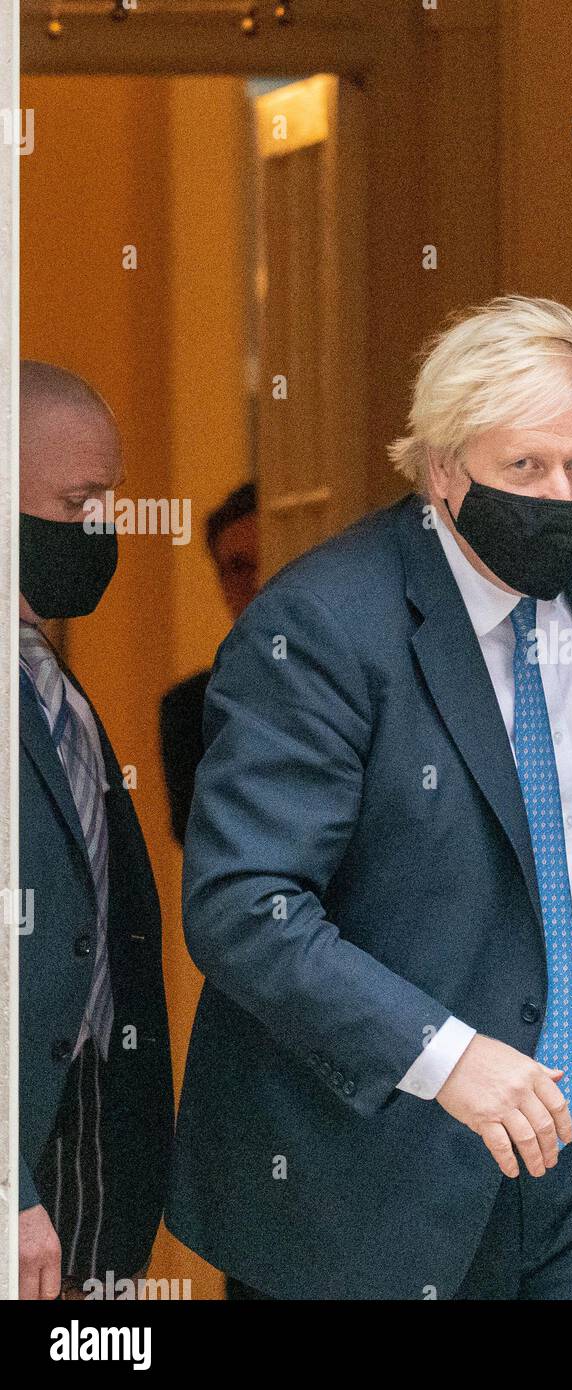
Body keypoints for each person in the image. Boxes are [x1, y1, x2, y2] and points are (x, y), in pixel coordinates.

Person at [165, 295, 572, 1299]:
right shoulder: (321, 626)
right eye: (522, 468)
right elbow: (242, 907)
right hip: (379, 1167)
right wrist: (449, 1058)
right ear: (442, 468)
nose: (557, 498)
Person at [17, 362, 173, 1300]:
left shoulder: (51, 683)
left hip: (84, 1166)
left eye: (108, 500)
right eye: (79, 502)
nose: (102, 529)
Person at [158, 482, 258, 845]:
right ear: (221, 581)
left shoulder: (350, 681)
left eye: (267, 559)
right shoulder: (190, 708)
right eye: (239, 567)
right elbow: (199, 834)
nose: (258, 581)